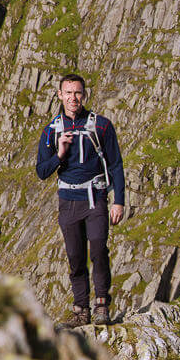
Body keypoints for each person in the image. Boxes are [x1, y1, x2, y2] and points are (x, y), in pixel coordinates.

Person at [36, 73, 125, 326]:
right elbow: (42, 171)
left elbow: (116, 165)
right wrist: (60, 155)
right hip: (68, 200)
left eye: (78, 93)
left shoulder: (102, 126)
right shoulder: (51, 130)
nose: (73, 98)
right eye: (68, 93)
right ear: (60, 95)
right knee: (75, 257)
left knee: (98, 249)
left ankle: (101, 306)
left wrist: (118, 200)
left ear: (84, 95)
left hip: (95, 197)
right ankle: (81, 310)